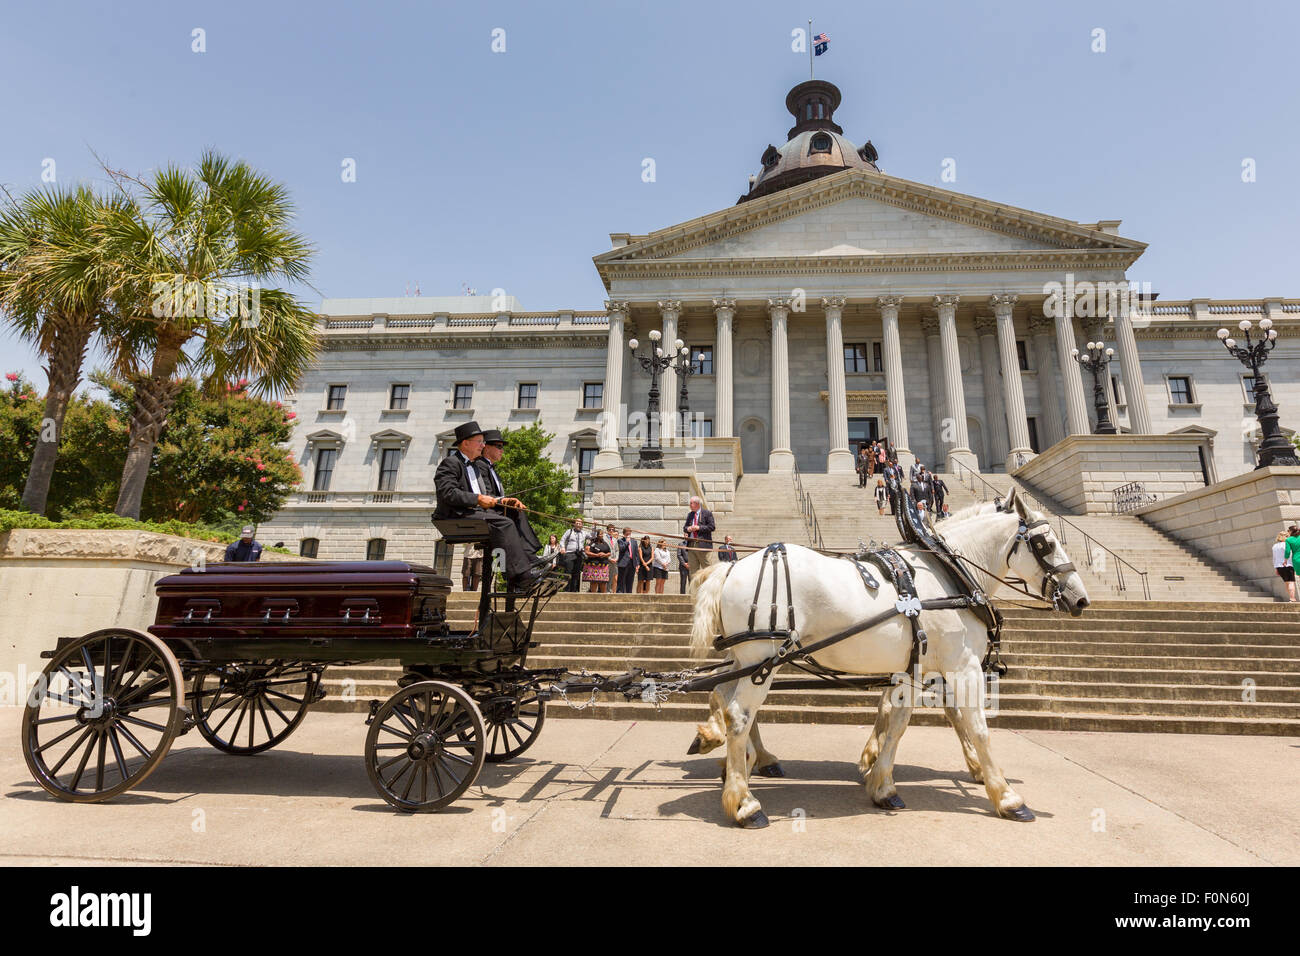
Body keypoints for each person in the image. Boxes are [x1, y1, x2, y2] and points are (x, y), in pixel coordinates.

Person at [434, 420, 549, 591]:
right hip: (454, 517)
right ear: (465, 443)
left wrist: (502, 501)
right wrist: (478, 499)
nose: (482, 445)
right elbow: (448, 493)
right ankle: (521, 576)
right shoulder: (450, 463)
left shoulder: (474, 466)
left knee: (513, 513)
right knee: (504, 523)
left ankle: (530, 559)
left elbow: (486, 496)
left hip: (474, 513)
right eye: (479, 442)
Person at [476, 428, 541, 554]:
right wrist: (506, 501)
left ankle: (529, 555)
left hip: (495, 510)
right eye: (499, 446)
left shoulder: (491, 468)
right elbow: (487, 495)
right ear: (487, 448)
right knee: (513, 515)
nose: (502, 450)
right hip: (486, 511)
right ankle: (528, 556)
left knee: (517, 511)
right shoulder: (480, 465)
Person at [682, 495, 716, 576]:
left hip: (703, 546)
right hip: (691, 545)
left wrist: (699, 527)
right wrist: (688, 529)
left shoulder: (707, 513)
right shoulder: (690, 514)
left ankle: (708, 588)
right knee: (693, 571)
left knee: (707, 569)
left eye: (691, 503)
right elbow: (685, 527)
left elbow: (712, 527)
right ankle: (694, 588)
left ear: (697, 504)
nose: (689, 505)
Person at [559, 519, 588, 592]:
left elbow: (593, 536)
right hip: (569, 554)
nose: (578, 524)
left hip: (579, 555)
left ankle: (573, 590)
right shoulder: (569, 531)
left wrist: (594, 526)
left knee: (576, 573)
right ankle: (566, 590)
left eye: (580, 523)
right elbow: (562, 540)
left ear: (582, 525)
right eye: (577, 523)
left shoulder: (584, 533)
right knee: (568, 572)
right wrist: (562, 547)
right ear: (574, 524)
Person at [583, 527, 611, 593]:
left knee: (603, 582)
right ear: (597, 535)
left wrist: (604, 554)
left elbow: (609, 552)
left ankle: (603, 598)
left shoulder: (605, 543)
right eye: (600, 534)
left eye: (602, 534)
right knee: (594, 582)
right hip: (593, 565)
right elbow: (587, 552)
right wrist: (596, 555)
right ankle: (593, 597)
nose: (601, 535)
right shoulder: (591, 542)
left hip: (603, 565)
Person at [1274, 531, 1297, 602]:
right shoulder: (1287, 544)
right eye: (1288, 536)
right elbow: (1289, 555)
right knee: (1291, 582)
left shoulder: (1275, 546)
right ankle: (1292, 598)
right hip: (1288, 565)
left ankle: (1291, 597)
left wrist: (1276, 568)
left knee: (1287, 582)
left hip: (1279, 566)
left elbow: (1274, 558)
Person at [616, 527, 637, 594]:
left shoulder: (634, 541)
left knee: (630, 580)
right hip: (623, 563)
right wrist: (627, 542)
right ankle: (620, 593)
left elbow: (636, 554)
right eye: (627, 532)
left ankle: (629, 593)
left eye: (629, 532)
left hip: (632, 563)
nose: (628, 533)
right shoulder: (620, 540)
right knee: (621, 580)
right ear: (624, 533)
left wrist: (637, 564)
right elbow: (621, 549)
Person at [1285, 525, 1300, 601]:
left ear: (1291, 531)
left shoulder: (1289, 540)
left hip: (1297, 559)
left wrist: (1285, 560)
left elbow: (1287, 551)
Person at [605, 525, 619, 595]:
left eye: (612, 530)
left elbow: (617, 550)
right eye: (610, 529)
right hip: (607, 560)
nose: (611, 531)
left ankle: (609, 590)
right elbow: (604, 550)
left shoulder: (615, 539)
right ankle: (606, 591)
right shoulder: (604, 538)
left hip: (614, 561)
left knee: (611, 577)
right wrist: (609, 558)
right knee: (605, 576)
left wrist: (616, 558)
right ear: (607, 530)